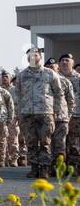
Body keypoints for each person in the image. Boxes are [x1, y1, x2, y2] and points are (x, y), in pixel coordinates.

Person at [18, 48, 64, 178]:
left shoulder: (50, 73)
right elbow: (19, 95)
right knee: (31, 142)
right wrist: (19, 113)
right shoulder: (22, 75)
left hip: (45, 113)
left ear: (40, 57)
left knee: (45, 142)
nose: (32, 57)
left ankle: (44, 169)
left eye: (35, 55)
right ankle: (34, 168)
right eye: (29, 55)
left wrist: (57, 110)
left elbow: (58, 93)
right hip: (27, 114)